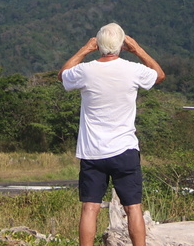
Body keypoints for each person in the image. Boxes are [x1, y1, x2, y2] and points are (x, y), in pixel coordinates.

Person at [59, 22, 166, 246]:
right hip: (125, 150)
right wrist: (137, 49)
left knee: (90, 207)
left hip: (92, 152)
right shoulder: (132, 69)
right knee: (133, 207)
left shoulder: (86, 71)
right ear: (121, 45)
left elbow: (63, 74)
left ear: (98, 44)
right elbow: (159, 75)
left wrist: (84, 49)